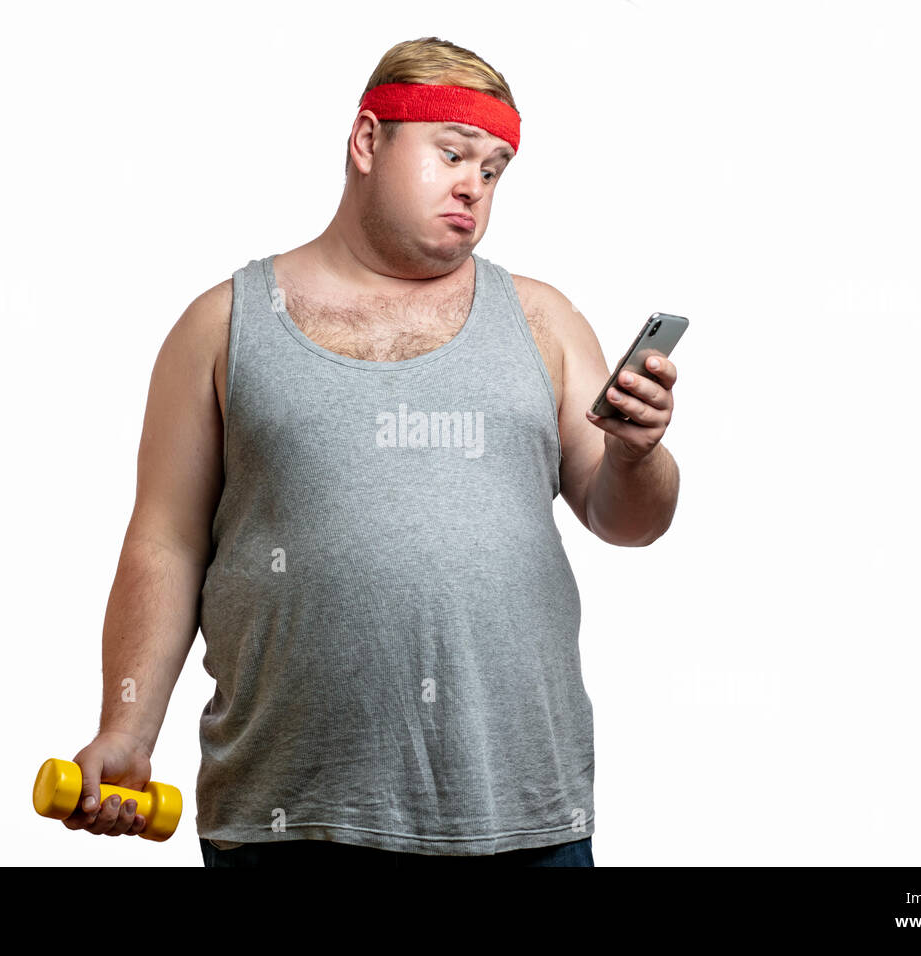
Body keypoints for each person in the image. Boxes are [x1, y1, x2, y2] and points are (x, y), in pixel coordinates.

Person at [61, 36, 680, 867]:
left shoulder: (544, 320)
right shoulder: (224, 323)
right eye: (452, 153)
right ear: (366, 142)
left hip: (521, 821)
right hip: (289, 820)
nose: (474, 185)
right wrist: (126, 730)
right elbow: (164, 542)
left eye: (494, 169)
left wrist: (639, 456)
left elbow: (626, 520)